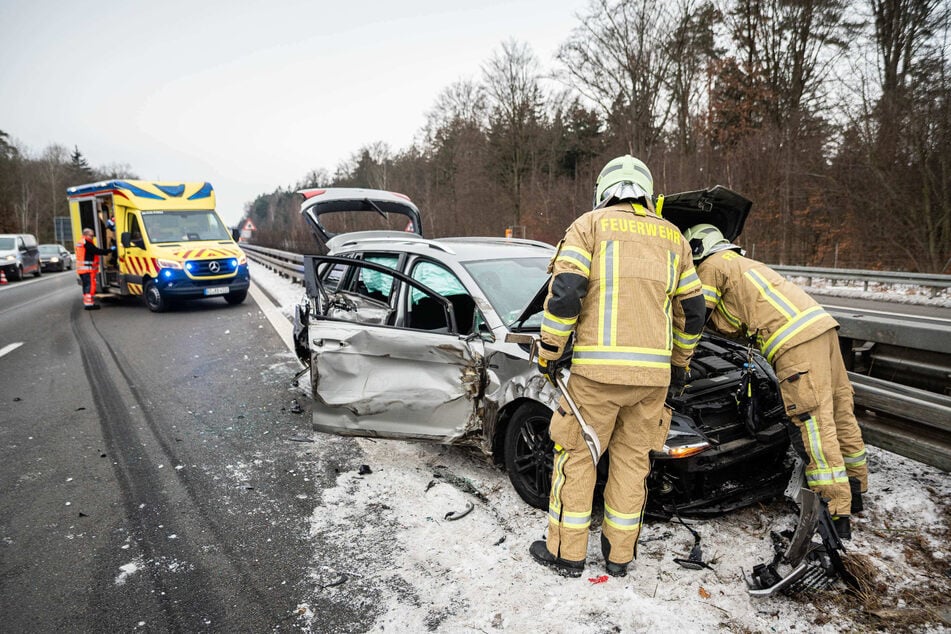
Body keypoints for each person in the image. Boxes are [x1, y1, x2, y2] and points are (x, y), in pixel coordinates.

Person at [530, 155, 707, 578]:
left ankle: (567, 554)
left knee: (577, 458)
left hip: (597, 376)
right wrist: (679, 364)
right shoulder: (674, 238)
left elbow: (566, 294)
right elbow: (693, 312)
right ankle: (619, 557)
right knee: (632, 465)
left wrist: (550, 351)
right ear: (647, 192)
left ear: (603, 189)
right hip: (651, 381)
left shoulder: (588, 226)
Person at [681, 223, 868, 539]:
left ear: (697, 249)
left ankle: (834, 513)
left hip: (794, 344)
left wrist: (678, 357)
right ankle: (856, 488)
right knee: (840, 414)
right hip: (822, 329)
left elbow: (696, 316)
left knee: (812, 425)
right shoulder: (742, 264)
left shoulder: (711, 267)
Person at [76, 228, 112, 310]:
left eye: (93, 235)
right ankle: (89, 305)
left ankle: (88, 303)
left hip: (83, 270)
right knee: (90, 287)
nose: (92, 237)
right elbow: (96, 251)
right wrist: (109, 250)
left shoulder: (81, 242)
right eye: (91, 235)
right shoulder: (86, 243)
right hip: (87, 270)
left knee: (86, 287)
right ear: (85, 235)